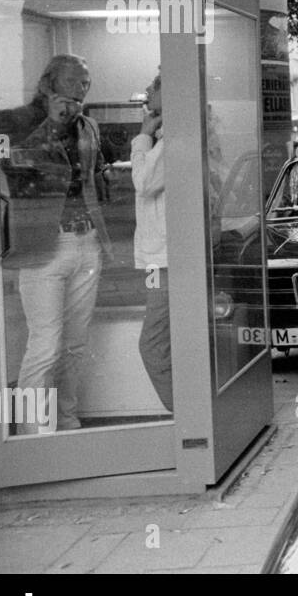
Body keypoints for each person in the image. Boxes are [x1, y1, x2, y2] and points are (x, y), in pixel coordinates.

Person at [0, 54, 112, 433]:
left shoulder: (88, 126)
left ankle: (67, 419)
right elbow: (13, 166)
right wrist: (50, 123)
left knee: (76, 344)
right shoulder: (14, 120)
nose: (83, 89)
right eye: (76, 81)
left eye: (86, 82)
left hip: (86, 241)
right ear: (49, 84)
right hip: (43, 245)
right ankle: (35, 433)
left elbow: (97, 179)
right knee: (45, 343)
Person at [131, 72, 172, 414]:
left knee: (153, 345)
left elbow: (144, 183)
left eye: (154, 85)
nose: (146, 90)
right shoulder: (167, 136)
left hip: (165, 260)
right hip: (161, 258)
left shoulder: (169, 139)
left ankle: (185, 416)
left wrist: (142, 137)